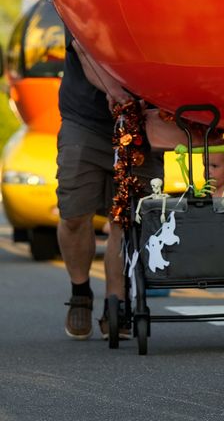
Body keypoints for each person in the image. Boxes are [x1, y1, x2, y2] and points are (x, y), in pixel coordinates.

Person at [56, 27, 164, 340]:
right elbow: (85, 51)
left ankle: (116, 304)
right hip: (85, 121)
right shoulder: (81, 0)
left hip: (145, 122)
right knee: (74, 215)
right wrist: (119, 96)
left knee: (127, 220)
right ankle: (80, 292)